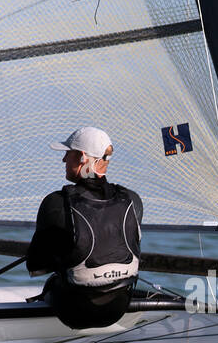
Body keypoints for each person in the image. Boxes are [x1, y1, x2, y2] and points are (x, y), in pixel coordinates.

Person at [26, 127, 144, 329]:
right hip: (118, 309)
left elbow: (35, 265)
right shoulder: (132, 200)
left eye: (67, 154)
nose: (64, 160)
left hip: (75, 313)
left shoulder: (56, 203)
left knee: (52, 283)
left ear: (81, 158)